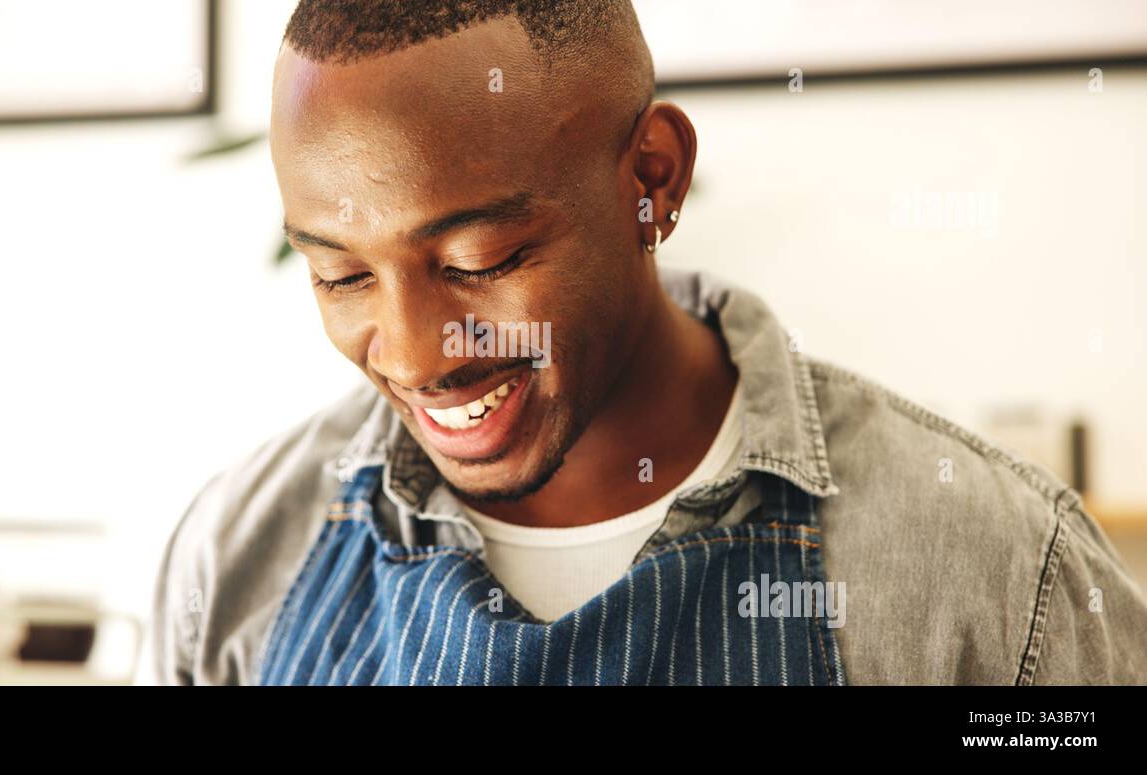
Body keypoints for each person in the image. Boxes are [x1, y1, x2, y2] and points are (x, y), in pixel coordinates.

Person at [151, 0, 1147, 685]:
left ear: (653, 179)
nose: (413, 356)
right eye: (341, 275)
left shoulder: (992, 568)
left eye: (481, 257)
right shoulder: (240, 553)